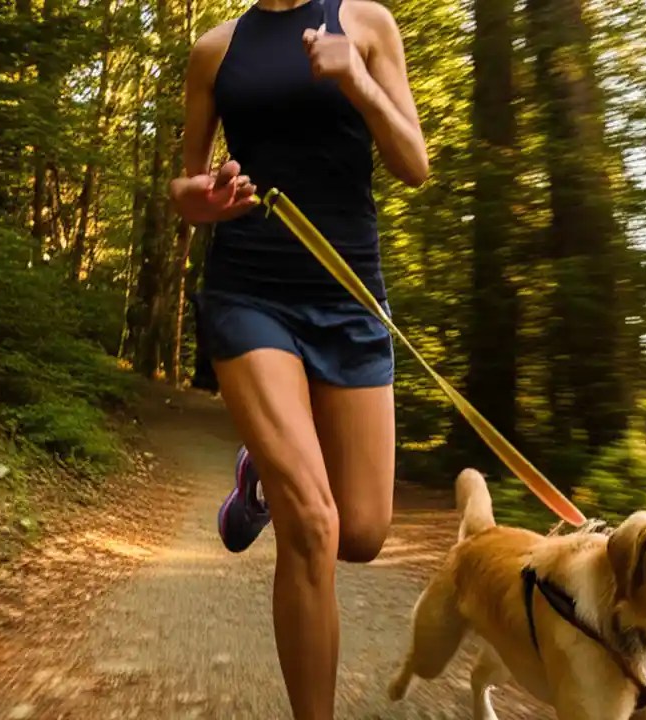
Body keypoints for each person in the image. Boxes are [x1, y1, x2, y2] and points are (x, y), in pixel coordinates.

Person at [167, 0, 427, 716]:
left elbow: (414, 164)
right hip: (250, 294)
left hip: (350, 300)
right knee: (313, 524)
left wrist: (360, 82)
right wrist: (205, 198)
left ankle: (262, 472)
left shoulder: (367, 24)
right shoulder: (215, 50)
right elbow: (183, 190)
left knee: (363, 533)